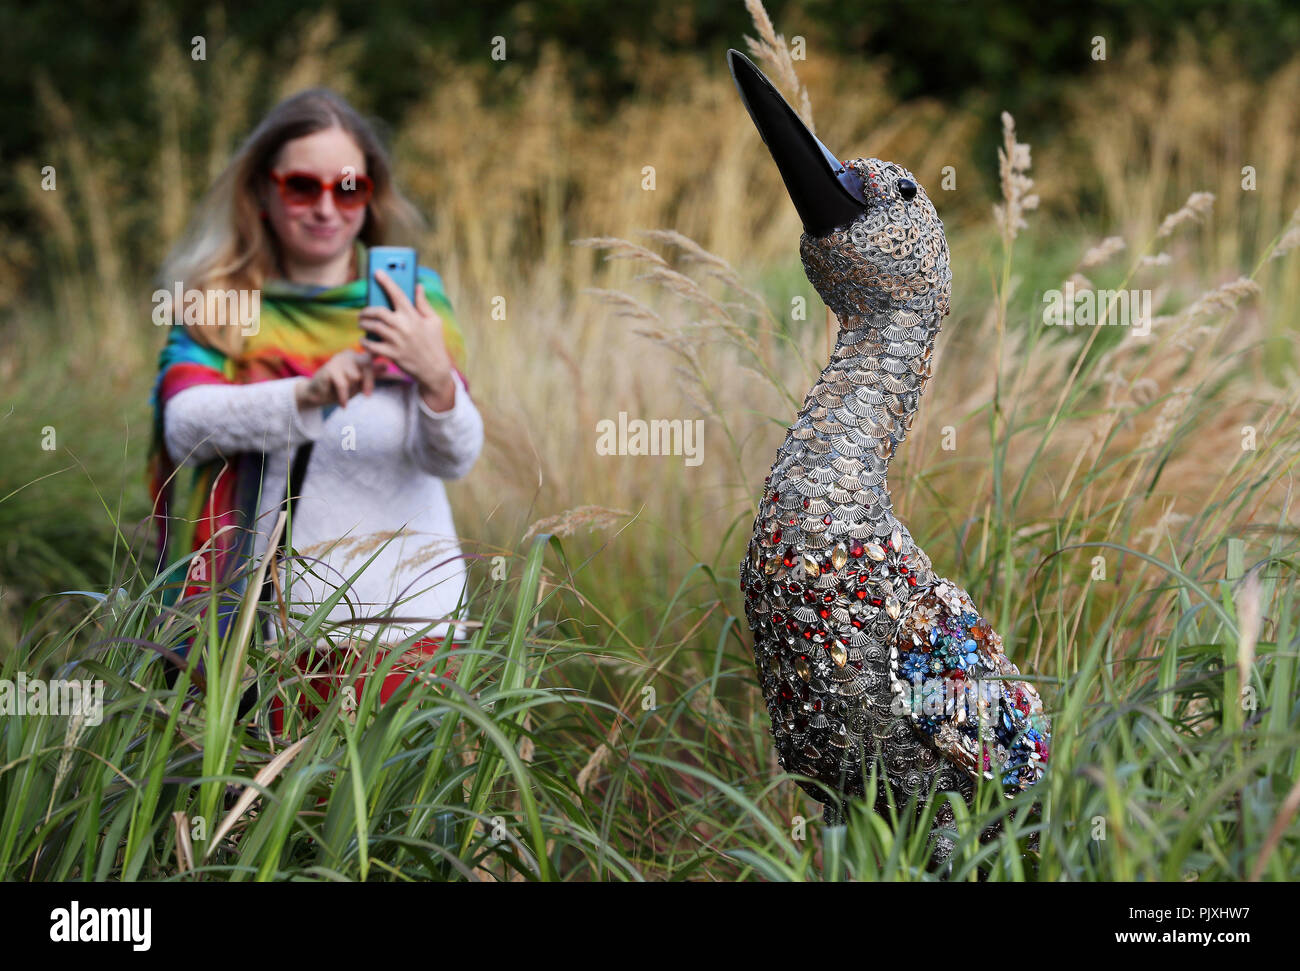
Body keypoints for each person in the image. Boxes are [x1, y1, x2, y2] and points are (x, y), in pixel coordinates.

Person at [146, 88, 483, 733]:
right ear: (265, 192)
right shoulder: (224, 303)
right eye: (303, 187)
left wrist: (438, 379)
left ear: (370, 195)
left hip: (411, 623)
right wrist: (308, 393)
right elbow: (185, 423)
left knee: (392, 824)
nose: (327, 207)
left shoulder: (415, 301)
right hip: (266, 627)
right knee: (262, 819)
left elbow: (456, 455)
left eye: (348, 187)